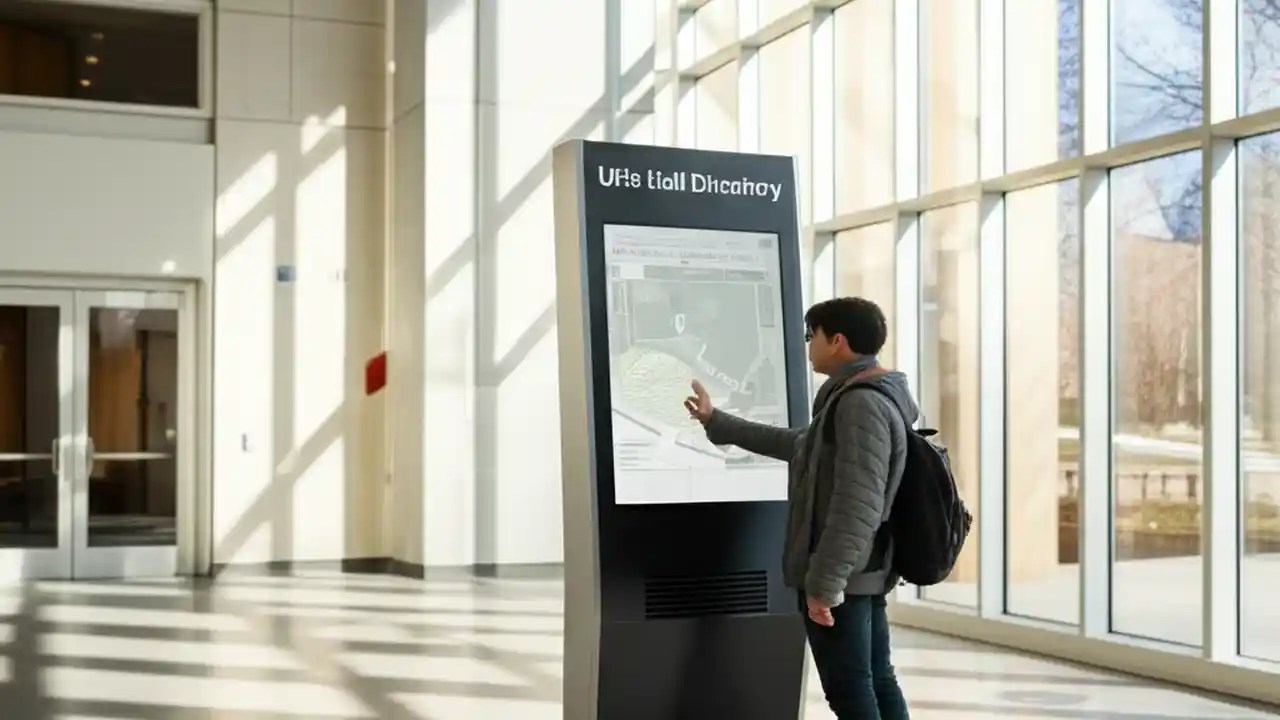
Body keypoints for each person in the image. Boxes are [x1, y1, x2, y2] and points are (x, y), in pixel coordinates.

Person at [683, 296, 916, 720]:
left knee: (851, 690)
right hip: (861, 570)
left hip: (846, 575)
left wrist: (825, 585)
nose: (808, 345)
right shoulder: (859, 396)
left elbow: (857, 503)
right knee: (876, 680)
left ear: (837, 341)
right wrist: (716, 420)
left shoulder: (860, 403)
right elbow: (798, 444)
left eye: (813, 336)